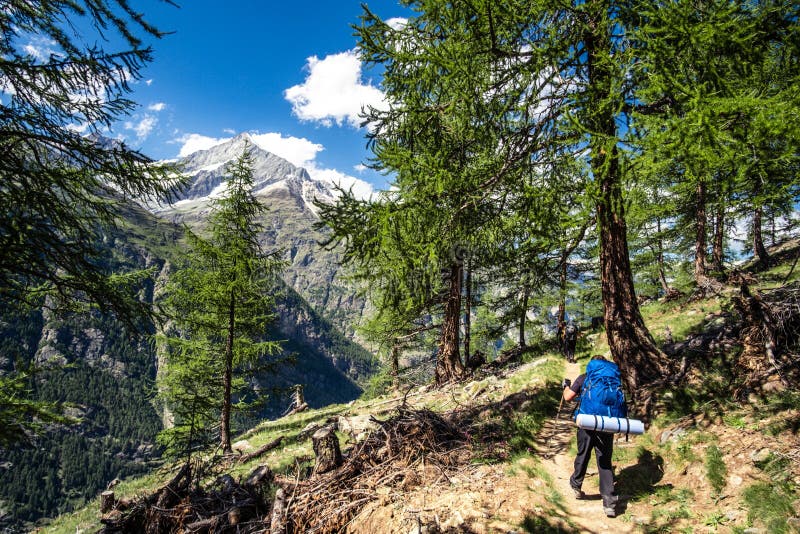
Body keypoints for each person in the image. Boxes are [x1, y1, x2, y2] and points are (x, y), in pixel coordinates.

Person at [562, 354, 625, 518]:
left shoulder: (585, 377)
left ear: (592, 365)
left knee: (583, 453)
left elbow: (568, 397)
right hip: (607, 423)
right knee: (604, 460)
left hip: (587, 422)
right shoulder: (612, 380)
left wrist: (566, 386)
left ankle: (576, 485)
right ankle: (609, 503)